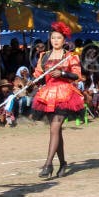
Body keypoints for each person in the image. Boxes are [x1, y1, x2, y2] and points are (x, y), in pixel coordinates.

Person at [32, 22, 84, 178]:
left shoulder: (69, 56)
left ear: (64, 40)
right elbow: (39, 76)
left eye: (58, 38)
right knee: (57, 132)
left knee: (54, 129)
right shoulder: (44, 56)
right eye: (53, 37)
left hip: (65, 95)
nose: (55, 40)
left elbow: (76, 75)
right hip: (47, 95)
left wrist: (62, 73)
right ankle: (63, 163)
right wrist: (30, 83)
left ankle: (48, 164)